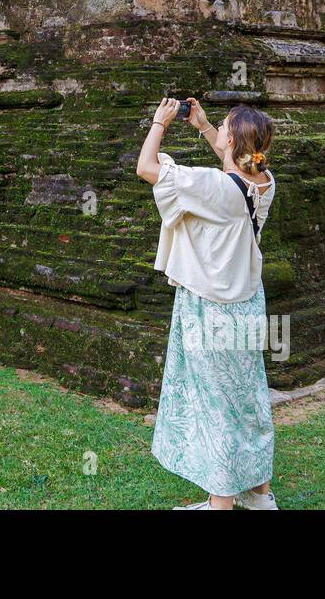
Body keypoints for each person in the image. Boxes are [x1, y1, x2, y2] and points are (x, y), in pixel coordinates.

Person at [135, 97, 279, 510]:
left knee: (215, 404)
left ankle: (221, 506)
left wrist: (159, 122)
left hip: (210, 308)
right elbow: (235, 157)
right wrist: (203, 126)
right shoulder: (265, 182)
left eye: (224, 129)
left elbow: (147, 168)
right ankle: (260, 497)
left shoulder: (212, 187)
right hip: (247, 304)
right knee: (247, 398)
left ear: (233, 139)